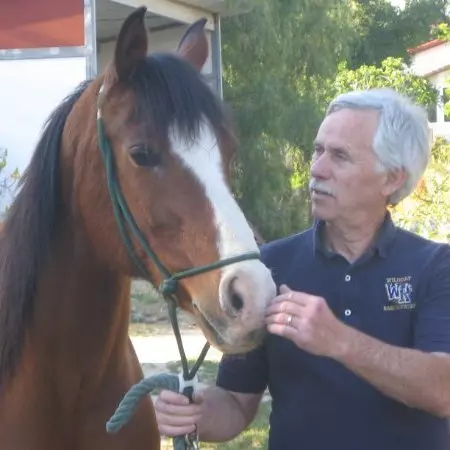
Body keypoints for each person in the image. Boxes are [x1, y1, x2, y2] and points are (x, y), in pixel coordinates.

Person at [154, 88, 450, 450]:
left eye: (340, 156)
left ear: (392, 178)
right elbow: (234, 403)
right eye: (318, 150)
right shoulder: (270, 266)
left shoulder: (436, 267)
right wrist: (196, 414)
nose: (317, 169)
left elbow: (442, 390)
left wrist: (338, 340)